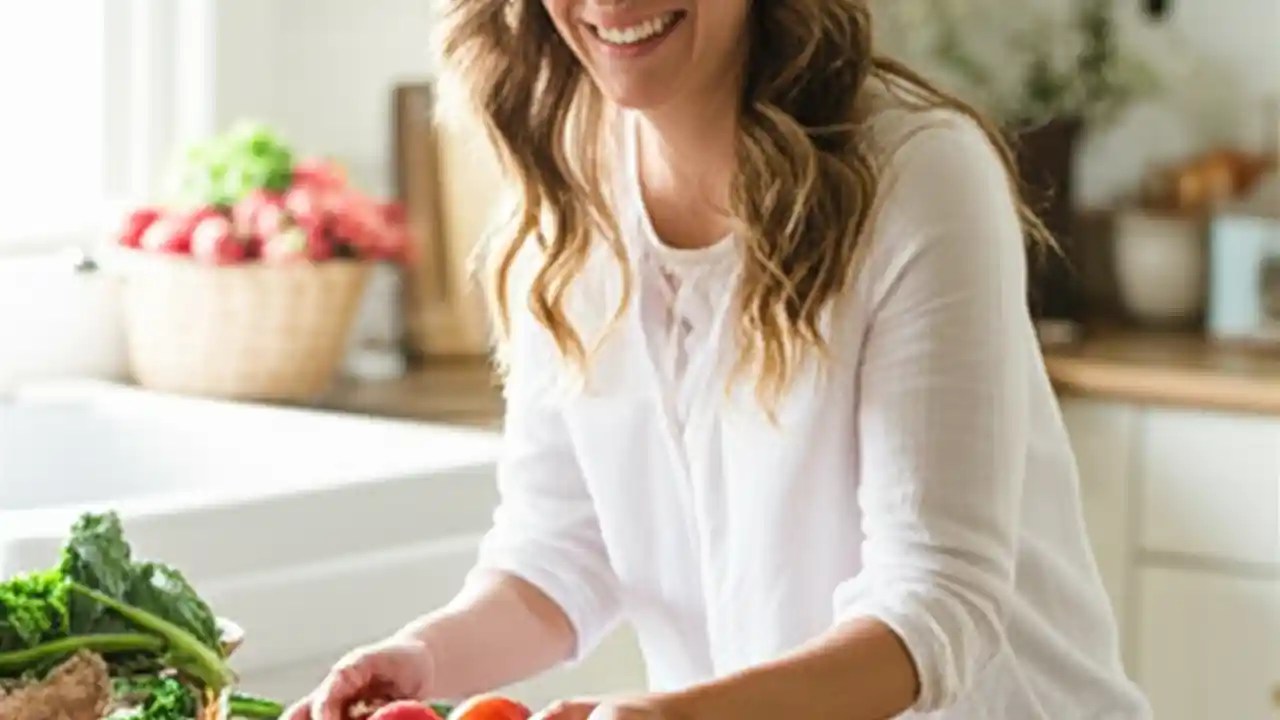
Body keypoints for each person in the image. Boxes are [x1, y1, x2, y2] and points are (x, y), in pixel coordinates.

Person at [286, 1, 1151, 718]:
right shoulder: (565, 199)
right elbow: (559, 555)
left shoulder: (917, 175)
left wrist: (682, 713)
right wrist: (424, 658)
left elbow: (934, 605)